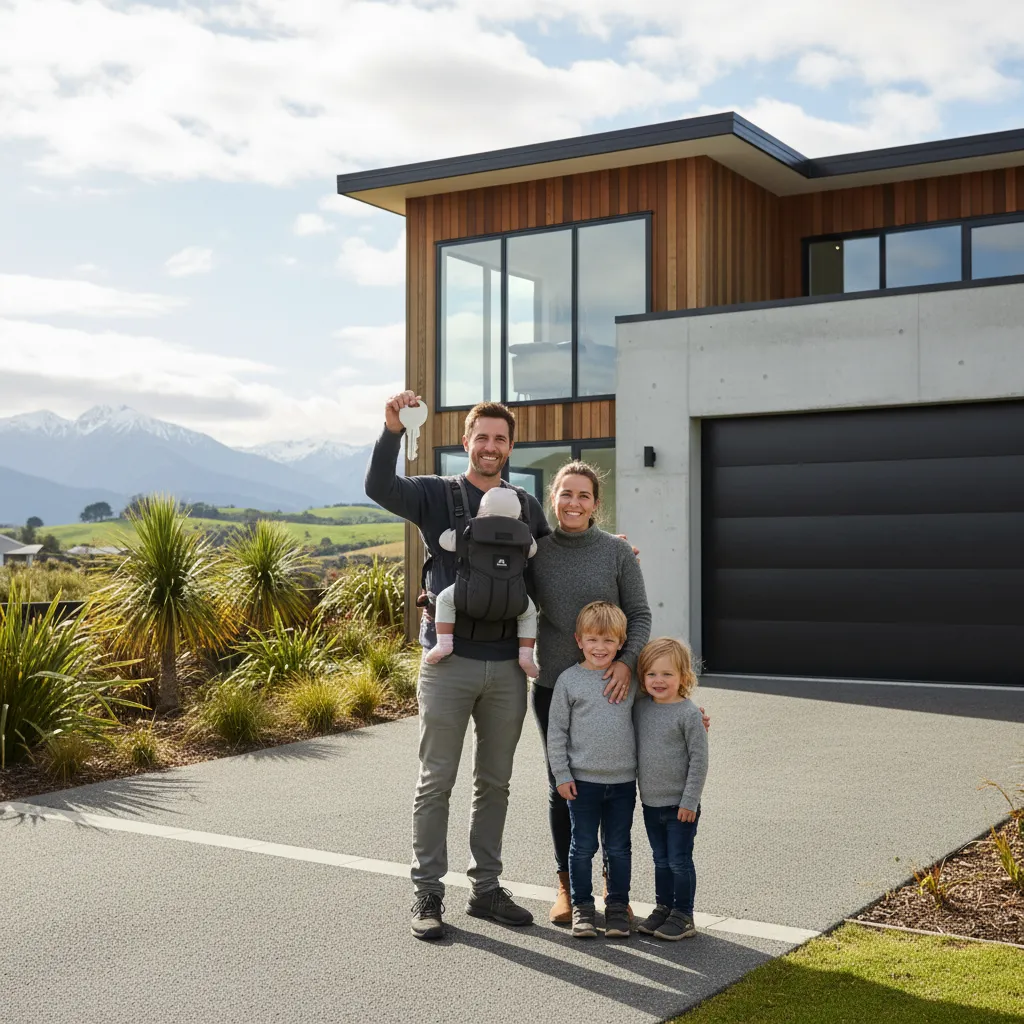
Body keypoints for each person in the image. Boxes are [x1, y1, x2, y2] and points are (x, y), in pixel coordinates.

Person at [365, 393, 550, 940]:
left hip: (508, 669)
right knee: (436, 780)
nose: (490, 447)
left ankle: (486, 890)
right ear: (465, 442)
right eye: (481, 437)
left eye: (500, 439)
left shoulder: (525, 504)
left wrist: (612, 551)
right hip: (448, 663)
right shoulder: (434, 494)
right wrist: (391, 430)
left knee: (495, 783)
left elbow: (548, 570)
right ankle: (427, 891)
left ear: (511, 447)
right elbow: (378, 487)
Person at [529, 461, 652, 924]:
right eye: (566, 494)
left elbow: (639, 614)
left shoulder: (616, 554)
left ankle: (611, 889)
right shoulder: (535, 553)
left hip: (613, 686)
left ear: (596, 504)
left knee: (616, 787)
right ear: (553, 499)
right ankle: (567, 886)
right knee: (563, 785)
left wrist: (624, 663)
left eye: (584, 496)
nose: (574, 503)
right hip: (553, 688)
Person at [546, 601, 637, 939]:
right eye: (593, 640)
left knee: (618, 848)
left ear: (621, 642)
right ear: (579, 640)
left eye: (609, 641)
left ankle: (616, 907)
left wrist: (693, 717)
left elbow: (657, 710)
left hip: (623, 782)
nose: (601, 648)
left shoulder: (630, 679)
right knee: (582, 847)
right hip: (581, 783)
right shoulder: (569, 681)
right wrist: (562, 775)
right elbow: (556, 732)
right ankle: (582, 908)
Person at [633, 637, 709, 941]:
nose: (659, 680)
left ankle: (684, 914)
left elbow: (699, 761)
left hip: (681, 805)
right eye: (651, 674)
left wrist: (690, 800)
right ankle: (663, 908)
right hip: (651, 803)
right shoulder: (641, 708)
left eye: (667, 674)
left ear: (684, 677)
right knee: (660, 859)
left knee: (679, 860)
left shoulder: (689, 715)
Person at [424, 486, 540, 676]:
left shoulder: (473, 529)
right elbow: (533, 550)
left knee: (444, 599)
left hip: (471, 593)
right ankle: (526, 656)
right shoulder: (524, 535)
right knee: (529, 613)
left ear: (483, 508)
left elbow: (445, 541)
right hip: (513, 596)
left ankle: (444, 644)